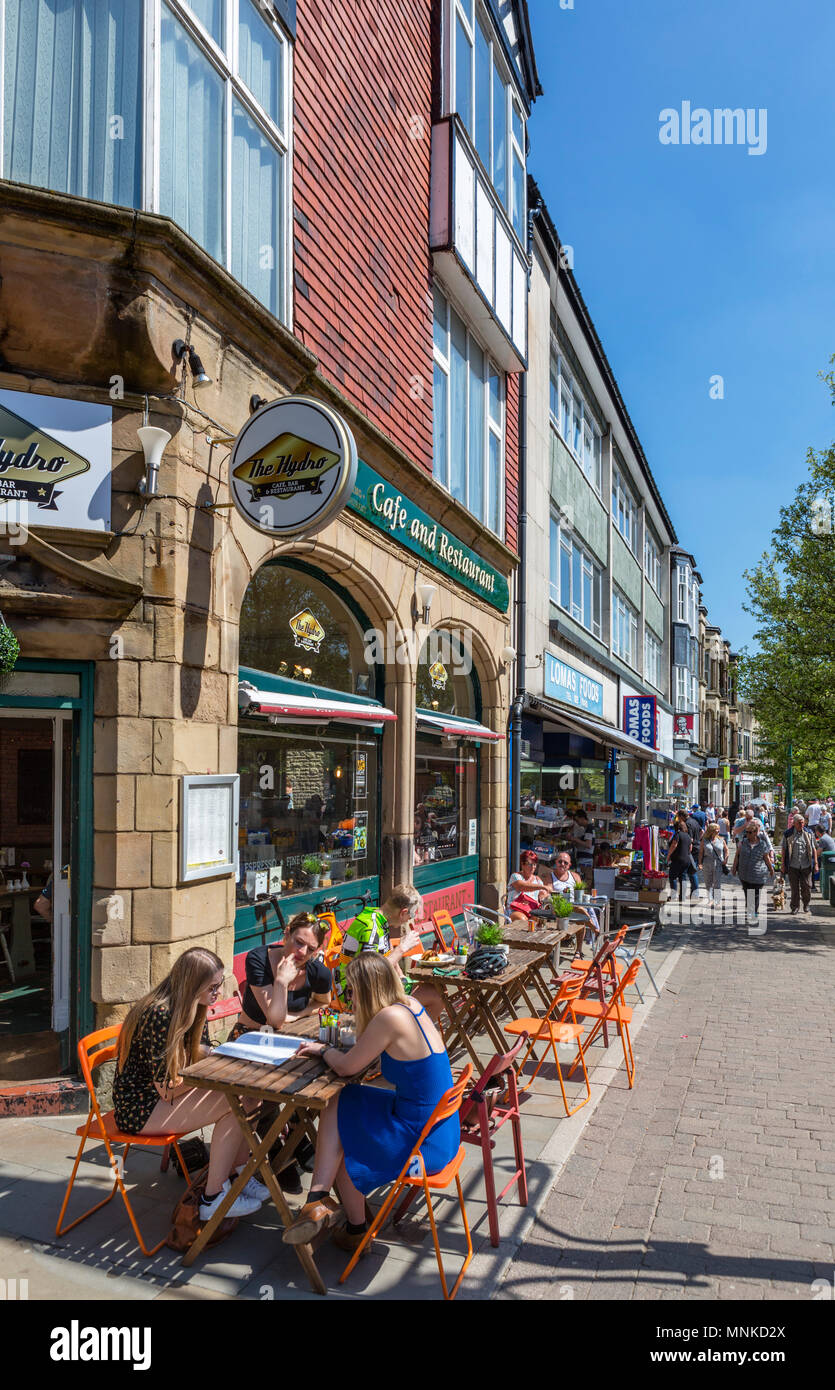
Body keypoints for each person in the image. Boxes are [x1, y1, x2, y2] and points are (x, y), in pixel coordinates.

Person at [282, 952, 460, 1255]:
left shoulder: (389, 1018)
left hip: (423, 1142)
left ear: (365, 989)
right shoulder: (408, 1004)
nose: (347, 997)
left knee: (347, 1140)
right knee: (339, 1100)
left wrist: (322, 1050)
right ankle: (319, 1199)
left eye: (351, 990)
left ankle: (355, 1229)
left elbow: (347, 1067)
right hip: (436, 1126)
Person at [114, 947, 268, 1222]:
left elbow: (196, 1051)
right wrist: (212, 1072)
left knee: (248, 1096)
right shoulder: (160, 1014)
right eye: (213, 986)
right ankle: (213, 1198)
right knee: (233, 1102)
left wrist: (218, 1055)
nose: (218, 992)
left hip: (163, 1096)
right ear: (192, 985)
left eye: (219, 985)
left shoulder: (192, 1006)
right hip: (140, 1108)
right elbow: (166, 1088)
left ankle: (238, 1175)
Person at [332, 884, 442, 1023]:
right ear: (403, 912)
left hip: (377, 987)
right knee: (436, 997)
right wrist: (402, 948)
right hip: (356, 995)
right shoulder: (371, 929)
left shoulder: (377, 919)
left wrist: (402, 978)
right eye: (412, 915)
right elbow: (369, 974)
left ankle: (404, 1033)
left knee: (434, 991)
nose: (410, 919)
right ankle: (406, 1036)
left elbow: (386, 957)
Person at [236, 913, 333, 1033]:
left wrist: (297, 1015)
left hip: (292, 1035)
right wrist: (281, 981)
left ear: (316, 951)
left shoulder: (319, 972)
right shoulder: (259, 960)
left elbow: (324, 1002)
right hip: (249, 1034)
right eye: (299, 942)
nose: (303, 952)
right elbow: (275, 1022)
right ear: (287, 933)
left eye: (311, 949)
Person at [550, 851, 592, 961]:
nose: (562, 864)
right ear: (556, 862)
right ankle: (595, 929)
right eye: (560, 861)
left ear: (569, 865)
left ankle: (578, 951)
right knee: (579, 911)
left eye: (565, 862)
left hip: (574, 907)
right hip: (557, 908)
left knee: (580, 915)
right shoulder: (550, 876)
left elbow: (580, 892)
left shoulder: (574, 876)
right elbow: (547, 892)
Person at [733, 821, 774, 923]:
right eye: (746, 832)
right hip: (744, 873)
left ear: (756, 832)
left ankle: (754, 912)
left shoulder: (762, 844)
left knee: (755, 893)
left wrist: (771, 869)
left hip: (758, 873)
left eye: (750, 832)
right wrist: (734, 868)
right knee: (748, 893)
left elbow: (766, 858)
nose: (748, 834)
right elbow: (737, 856)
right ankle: (750, 909)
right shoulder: (742, 843)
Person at [781, 814, 817, 915]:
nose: (802, 824)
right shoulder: (788, 834)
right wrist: (783, 864)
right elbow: (784, 849)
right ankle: (794, 907)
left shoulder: (809, 833)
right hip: (793, 865)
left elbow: (813, 848)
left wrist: (816, 863)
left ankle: (806, 904)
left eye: (802, 822)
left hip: (806, 865)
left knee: (807, 887)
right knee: (794, 888)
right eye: (799, 823)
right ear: (794, 823)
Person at [507, 850, 551, 921]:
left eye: (534, 864)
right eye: (530, 864)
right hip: (516, 910)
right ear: (522, 864)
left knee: (541, 918)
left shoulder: (537, 879)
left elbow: (542, 895)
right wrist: (542, 887)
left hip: (532, 911)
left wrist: (544, 896)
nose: (533, 867)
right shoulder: (515, 876)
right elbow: (523, 887)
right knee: (522, 919)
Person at [699, 822, 727, 905]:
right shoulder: (704, 840)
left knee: (717, 883)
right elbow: (701, 852)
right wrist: (700, 863)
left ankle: (717, 900)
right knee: (708, 882)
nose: (718, 831)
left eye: (718, 830)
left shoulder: (721, 839)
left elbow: (726, 850)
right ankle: (710, 899)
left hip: (718, 863)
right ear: (711, 831)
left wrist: (725, 859)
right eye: (716, 830)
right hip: (707, 862)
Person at [667, 814, 694, 900]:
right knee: (683, 878)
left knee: (673, 877)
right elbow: (690, 848)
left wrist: (668, 856)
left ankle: (674, 895)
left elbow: (674, 845)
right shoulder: (688, 836)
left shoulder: (678, 834)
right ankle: (682, 896)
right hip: (686, 859)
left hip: (677, 859)